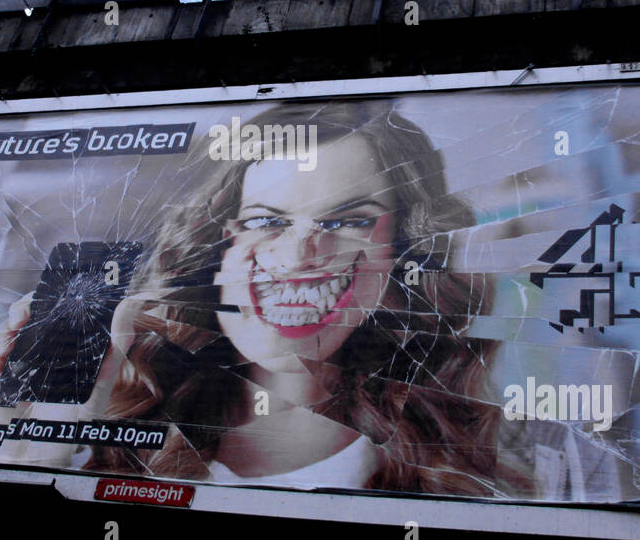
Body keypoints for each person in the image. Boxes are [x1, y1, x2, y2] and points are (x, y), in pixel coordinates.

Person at [69, 100, 524, 498]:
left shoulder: (536, 468)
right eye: (267, 222)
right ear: (215, 251)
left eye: (346, 221)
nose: (297, 257)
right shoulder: (91, 434)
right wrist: (32, 453)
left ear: (402, 256)